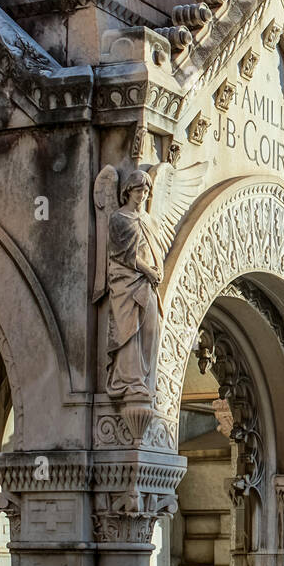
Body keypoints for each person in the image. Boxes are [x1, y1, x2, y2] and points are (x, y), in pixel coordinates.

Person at [106, 169, 164, 402]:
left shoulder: (149, 220)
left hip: (148, 283)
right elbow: (123, 254)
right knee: (131, 329)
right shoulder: (119, 218)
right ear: (128, 191)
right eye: (139, 190)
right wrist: (148, 271)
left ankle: (147, 379)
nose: (143, 194)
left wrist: (156, 270)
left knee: (151, 328)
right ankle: (130, 380)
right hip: (128, 283)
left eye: (146, 190)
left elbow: (156, 250)